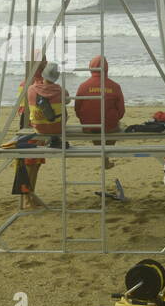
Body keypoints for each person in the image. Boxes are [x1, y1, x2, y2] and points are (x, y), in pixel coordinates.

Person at [22, 61, 67, 209]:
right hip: (56, 130)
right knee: (33, 164)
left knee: (31, 164)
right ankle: (28, 197)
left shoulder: (30, 89)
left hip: (39, 130)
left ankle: (28, 197)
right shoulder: (61, 91)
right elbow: (67, 101)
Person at [74, 55, 125, 169]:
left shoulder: (83, 86)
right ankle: (105, 157)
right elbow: (121, 112)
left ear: (90, 68)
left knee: (96, 125)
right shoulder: (115, 86)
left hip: (89, 127)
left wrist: (85, 120)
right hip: (109, 127)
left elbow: (77, 109)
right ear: (106, 68)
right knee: (113, 126)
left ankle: (104, 158)